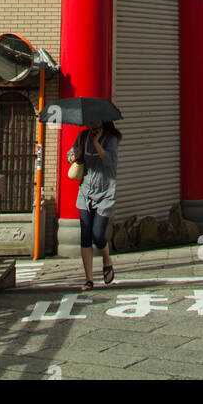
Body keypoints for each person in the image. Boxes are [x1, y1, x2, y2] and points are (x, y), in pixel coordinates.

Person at [67, 120, 122, 290]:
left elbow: (109, 162)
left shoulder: (111, 139)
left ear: (104, 121)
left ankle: (106, 258)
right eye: (90, 122)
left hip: (105, 193)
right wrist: (74, 156)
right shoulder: (83, 136)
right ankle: (89, 279)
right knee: (85, 236)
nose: (92, 125)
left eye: (96, 122)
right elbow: (70, 157)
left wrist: (97, 143)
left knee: (98, 236)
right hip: (85, 192)